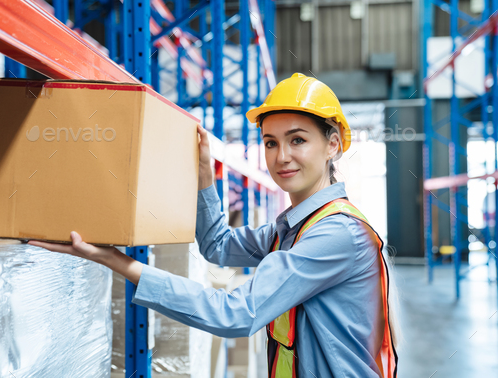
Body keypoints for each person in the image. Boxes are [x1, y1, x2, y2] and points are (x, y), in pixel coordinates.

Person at [29, 73, 399, 378]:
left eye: (297, 140)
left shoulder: (336, 234)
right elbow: (218, 245)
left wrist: (115, 260)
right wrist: (205, 177)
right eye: (271, 143)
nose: (281, 157)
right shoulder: (293, 231)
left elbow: (235, 313)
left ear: (332, 144)